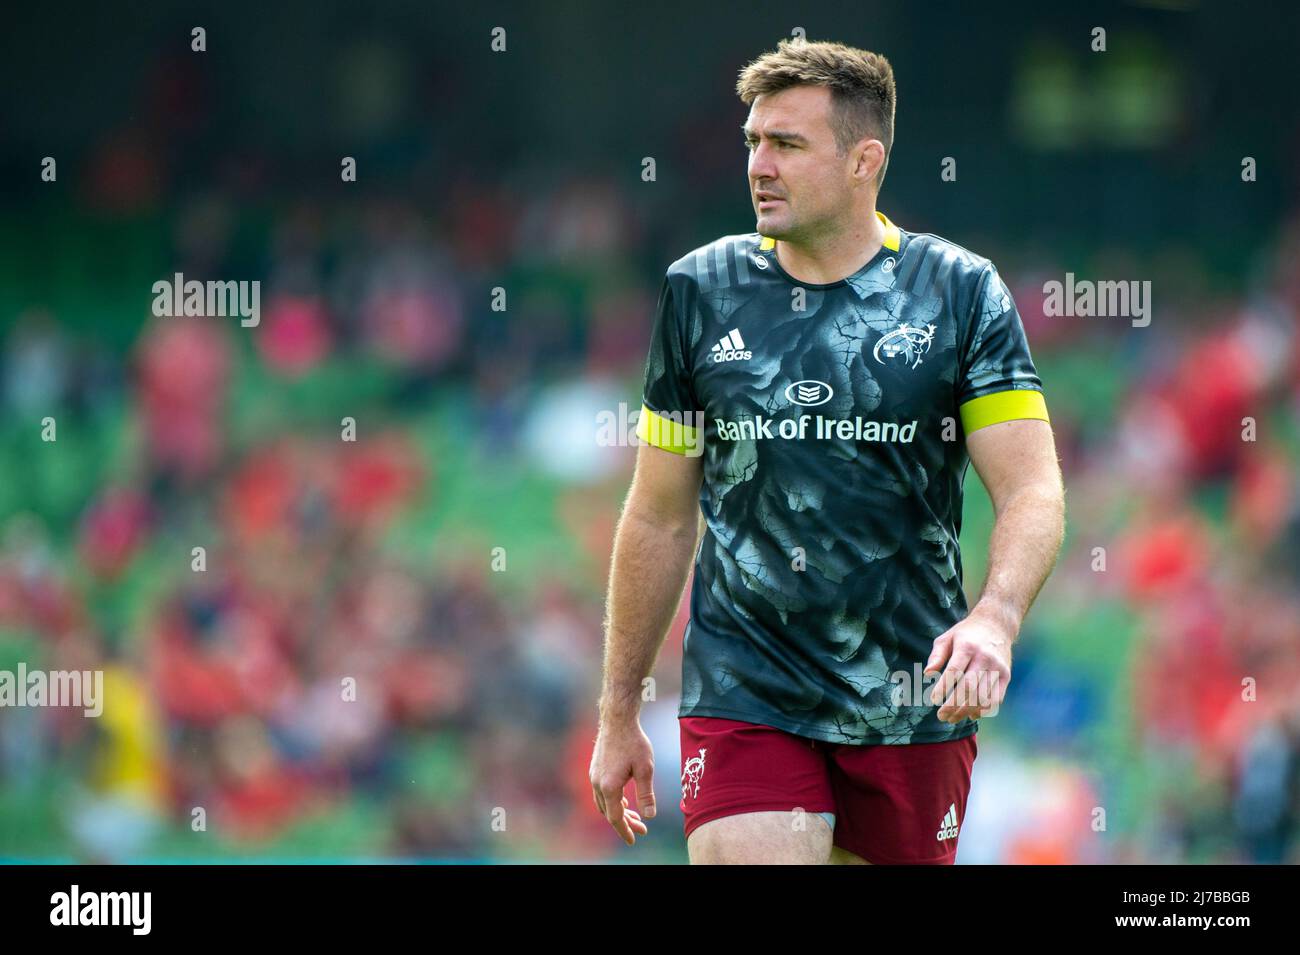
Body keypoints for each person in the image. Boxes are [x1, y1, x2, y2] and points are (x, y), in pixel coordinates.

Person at [590, 38, 1065, 864]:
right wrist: (617, 706)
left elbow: (1031, 490)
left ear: (863, 161)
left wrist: (995, 617)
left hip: (910, 693)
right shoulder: (699, 292)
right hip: (745, 684)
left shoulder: (961, 293)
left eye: (787, 144)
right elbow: (660, 517)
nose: (759, 166)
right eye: (753, 142)